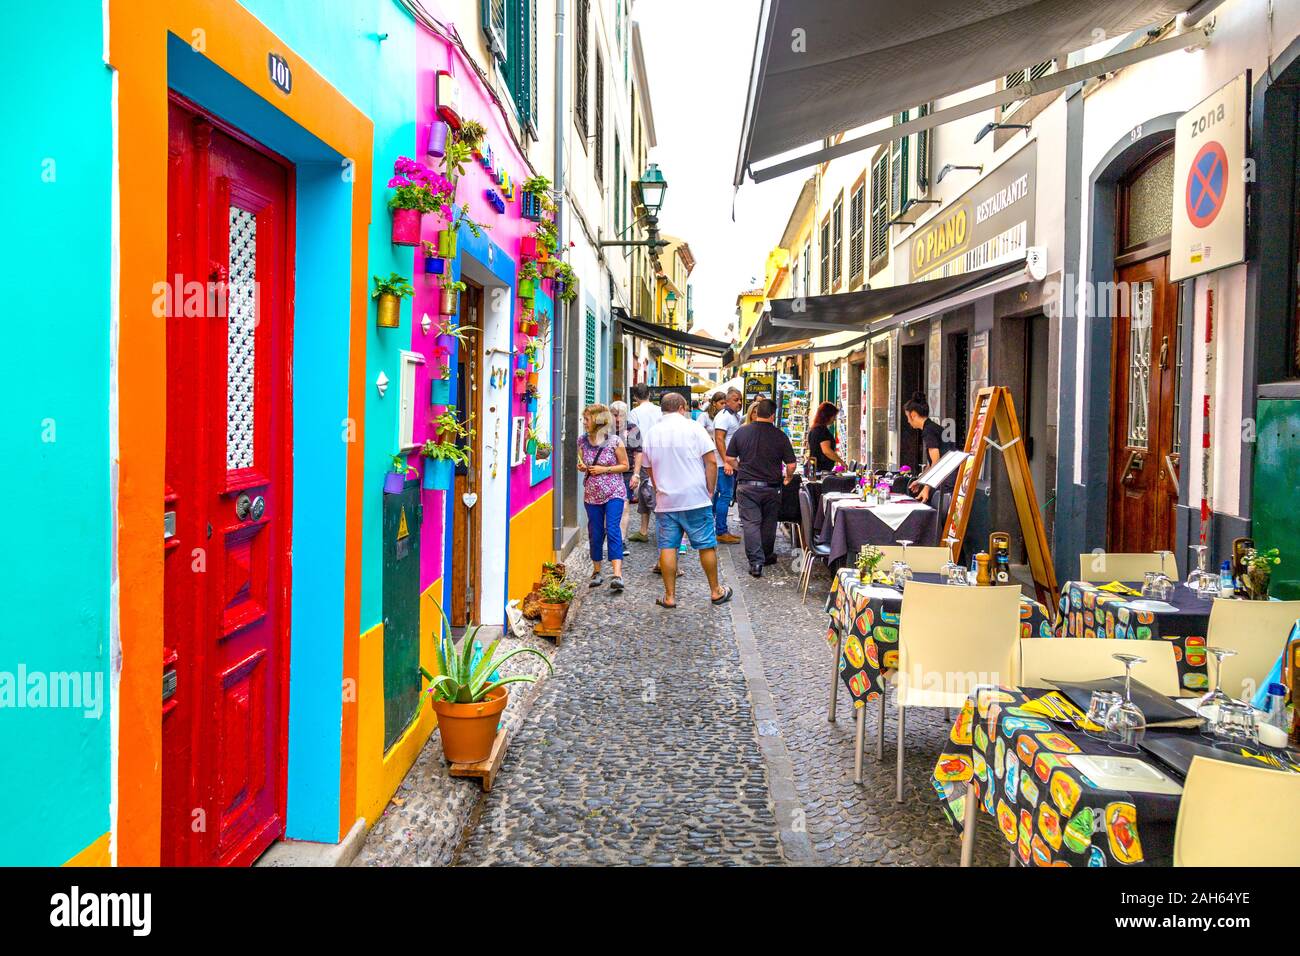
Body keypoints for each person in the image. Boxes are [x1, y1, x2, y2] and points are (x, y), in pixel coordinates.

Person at [640, 392, 733, 609]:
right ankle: (715, 591)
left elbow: (648, 467)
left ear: (662, 408)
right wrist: (710, 489)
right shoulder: (694, 427)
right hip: (695, 498)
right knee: (706, 546)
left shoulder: (652, 433)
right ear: (682, 407)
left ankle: (670, 596)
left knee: (668, 547)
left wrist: (658, 486)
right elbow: (711, 461)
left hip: (666, 501)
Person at [727, 397, 797, 577]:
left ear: (757, 413)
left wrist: (740, 468)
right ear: (773, 415)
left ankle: (756, 562)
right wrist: (788, 478)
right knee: (769, 523)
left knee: (751, 523)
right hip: (771, 487)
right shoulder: (780, 435)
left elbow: (729, 458)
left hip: (747, 486)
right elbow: (791, 465)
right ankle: (766, 555)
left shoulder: (741, 433)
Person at [576, 403, 629, 591]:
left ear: (598, 421)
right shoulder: (582, 441)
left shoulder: (614, 441)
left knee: (612, 528)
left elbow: (625, 465)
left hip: (614, 491)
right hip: (592, 494)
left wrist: (604, 469)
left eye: (587, 419)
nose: (584, 422)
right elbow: (582, 461)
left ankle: (617, 575)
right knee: (595, 531)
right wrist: (583, 467)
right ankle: (597, 571)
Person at [625, 383, 662, 543]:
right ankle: (643, 530)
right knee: (645, 492)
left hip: (644, 454)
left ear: (635, 397)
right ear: (650, 394)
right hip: (660, 453)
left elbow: (634, 437)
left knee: (648, 491)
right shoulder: (659, 410)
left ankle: (664, 528)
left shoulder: (634, 413)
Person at [904, 392, 954, 504]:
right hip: (946, 479)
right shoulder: (931, 428)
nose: (908, 421)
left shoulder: (928, 431)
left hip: (946, 482)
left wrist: (926, 488)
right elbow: (930, 464)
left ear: (913, 415)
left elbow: (936, 462)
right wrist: (920, 481)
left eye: (907, 417)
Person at [712, 388, 744, 544]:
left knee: (720, 496)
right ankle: (721, 531)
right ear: (728, 400)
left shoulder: (733, 416)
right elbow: (719, 439)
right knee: (724, 496)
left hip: (726, 462)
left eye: (740, 400)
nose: (739, 402)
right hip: (722, 464)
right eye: (736, 399)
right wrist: (726, 461)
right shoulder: (724, 417)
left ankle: (716, 529)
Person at [609, 400, 641, 539]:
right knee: (608, 507)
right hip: (607, 472)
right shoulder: (605, 429)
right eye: (614, 415)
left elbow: (638, 452)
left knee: (624, 505)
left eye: (621, 415)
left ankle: (620, 539)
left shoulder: (632, 429)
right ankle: (611, 537)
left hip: (626, 473)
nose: (617, 418)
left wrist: (636, 475)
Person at [806, 401, 844, 472]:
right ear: (827, 416)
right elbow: (827, 451)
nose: (834, 419)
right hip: (821, 469)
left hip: (813, 467)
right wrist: (841, 461)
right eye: (833, 416)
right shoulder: (822, 431)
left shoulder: (814, 429)